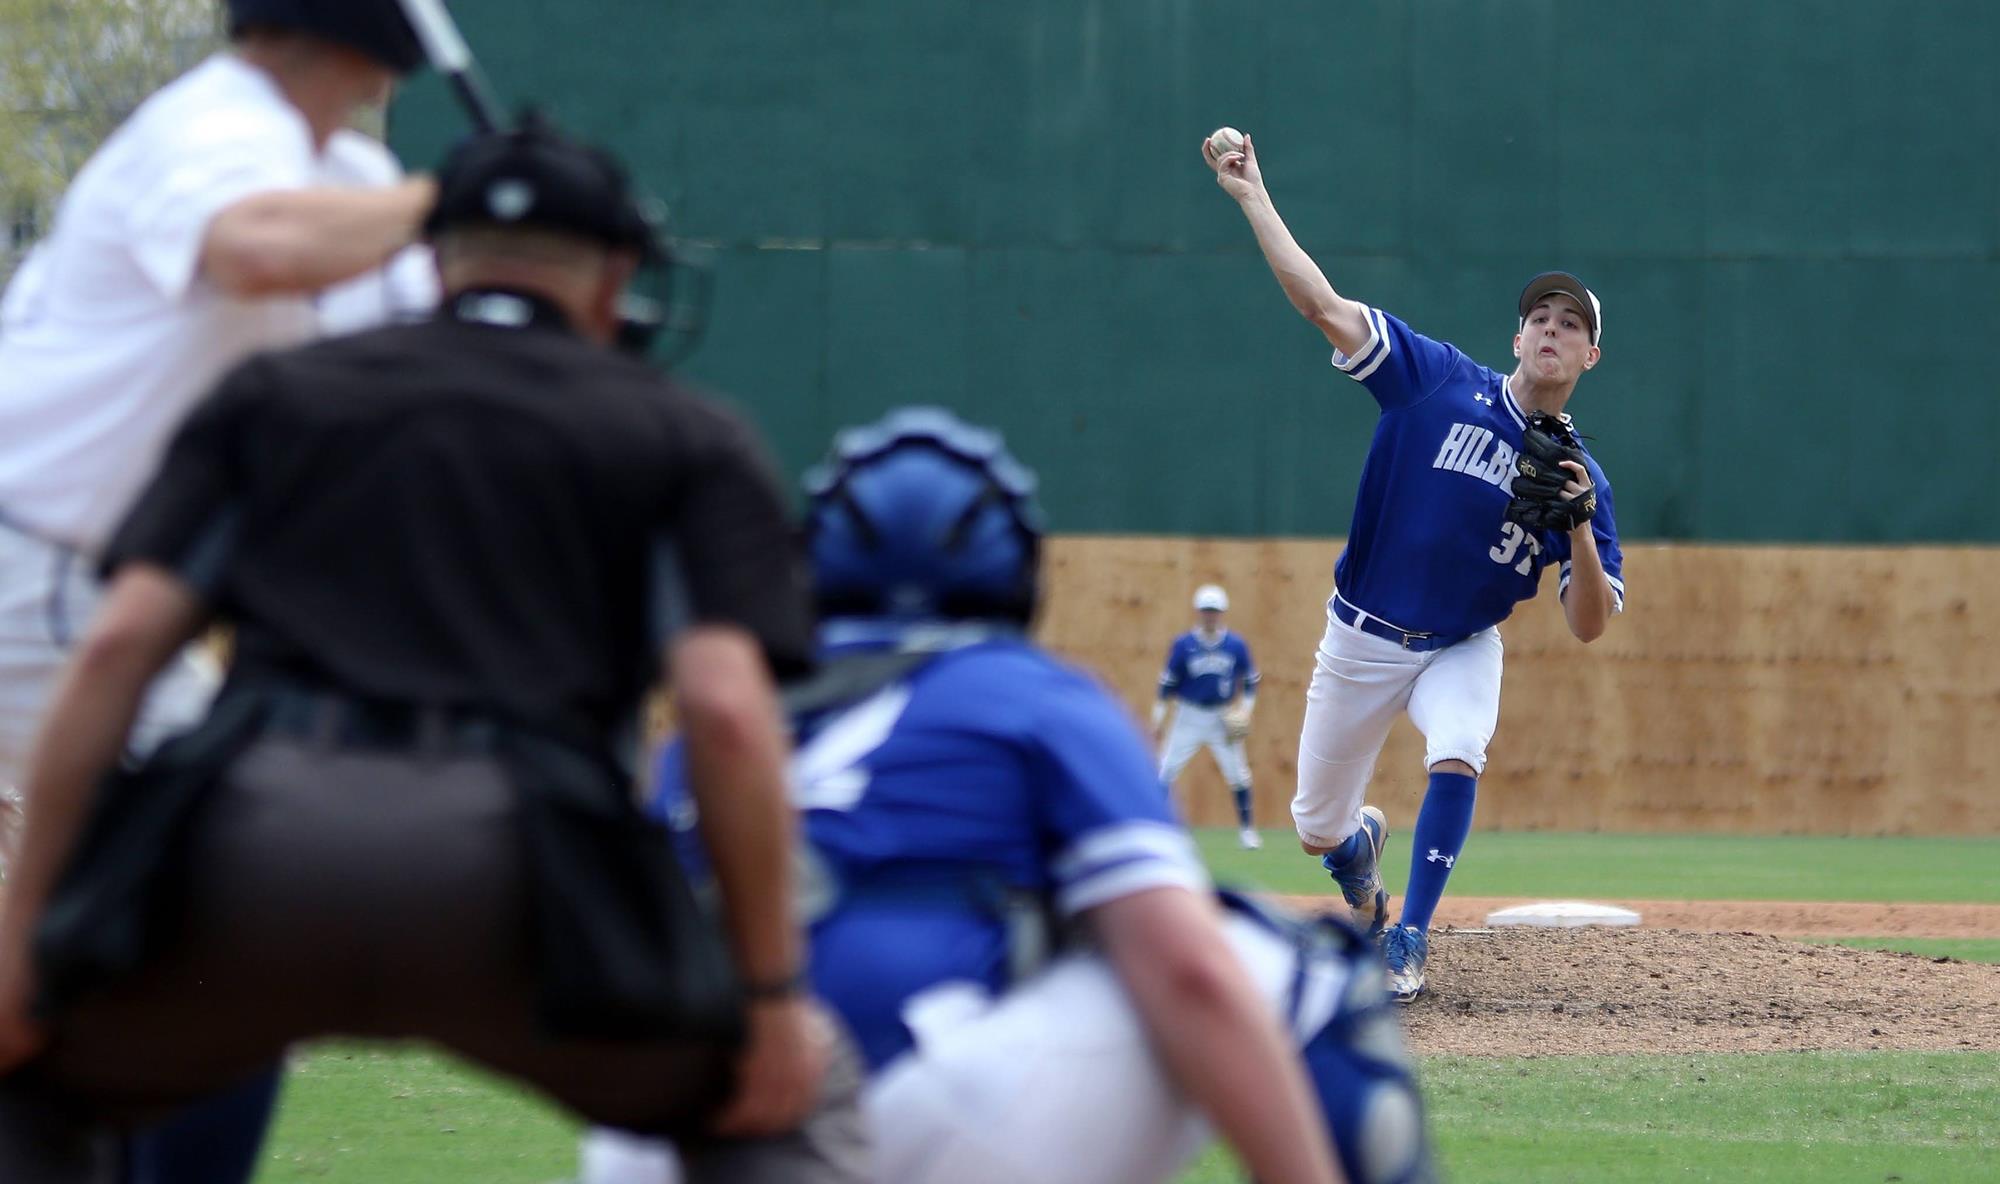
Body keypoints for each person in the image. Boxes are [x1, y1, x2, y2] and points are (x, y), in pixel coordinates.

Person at [0, 118, 866, 1182]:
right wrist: (770, 997)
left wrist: (22, 944)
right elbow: (726, 713)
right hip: (522, 874)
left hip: (258, 852)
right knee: (783, 1097)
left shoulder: (280, 392)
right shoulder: (681, 428)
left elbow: (115, 650)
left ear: (433, 260)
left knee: (28, 1076)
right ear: (613, 278)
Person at [579, 409, 1435, 1184]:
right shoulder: (1033, 694)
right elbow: (1189, 973)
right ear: (1018, 573)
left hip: (676, 1133)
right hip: (912, 1111)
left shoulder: (710, 734)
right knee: (1274, 958)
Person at [0, 0, 443, 870]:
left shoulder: (350, 175)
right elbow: (256, 248)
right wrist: (445, 199)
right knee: (234, 847)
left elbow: (426, 334)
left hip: (100, 590)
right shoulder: (213, 125)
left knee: (222, 854)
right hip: (34, 569)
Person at [1205, 133, 1625, 1002]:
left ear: (1590, 356)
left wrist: (1581, 527)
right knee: (1316, 827)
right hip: (1359, 636)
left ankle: (1411, 936)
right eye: (1541, 318)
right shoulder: (1435, 381)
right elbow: (1321, 304)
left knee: (1460, 748)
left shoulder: (1583, 479)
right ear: (1518, 335)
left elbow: (1589, 623)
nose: (1552, 329)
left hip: (1460, 643)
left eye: (1572, 324)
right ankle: (1361, 863)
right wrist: (1252, 196)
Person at [1152, 583, 1264, 848]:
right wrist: (1158, 720)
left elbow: (1251, 682)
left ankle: (1247, 831)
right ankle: (1155, 827)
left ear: (1222, 613)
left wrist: (1245, 712)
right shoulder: (1183, 645)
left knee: (1238, 774)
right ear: (1198, 612)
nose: (1210, 615)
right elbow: (1166, 686)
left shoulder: (1235, 645)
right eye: (1206, 610)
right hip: (1188, 715)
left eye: (1214, 611)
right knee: (1165, 770)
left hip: (1221, 717)